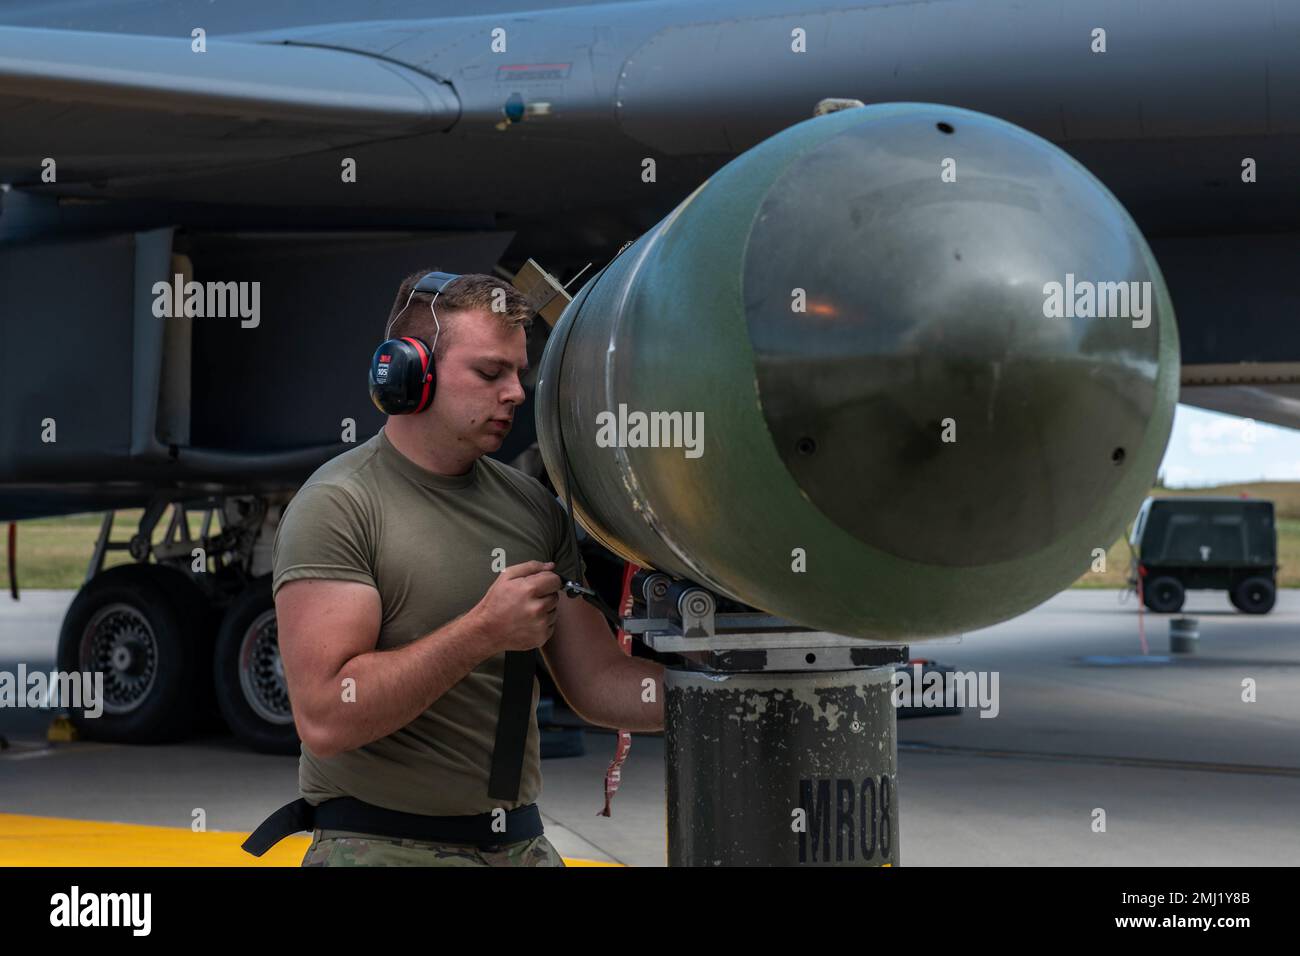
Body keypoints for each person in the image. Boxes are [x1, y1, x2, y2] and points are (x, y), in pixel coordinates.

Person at [255, 269, 664, 866]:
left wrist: (726, 694)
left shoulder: (531, 508)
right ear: (408, 373)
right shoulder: (341, 505)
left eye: (519, 373)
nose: (517, 393)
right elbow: (325, 714)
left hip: (517, 846)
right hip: (383, 849)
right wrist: (483, 633)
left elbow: (597, 682)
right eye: (489, 372)